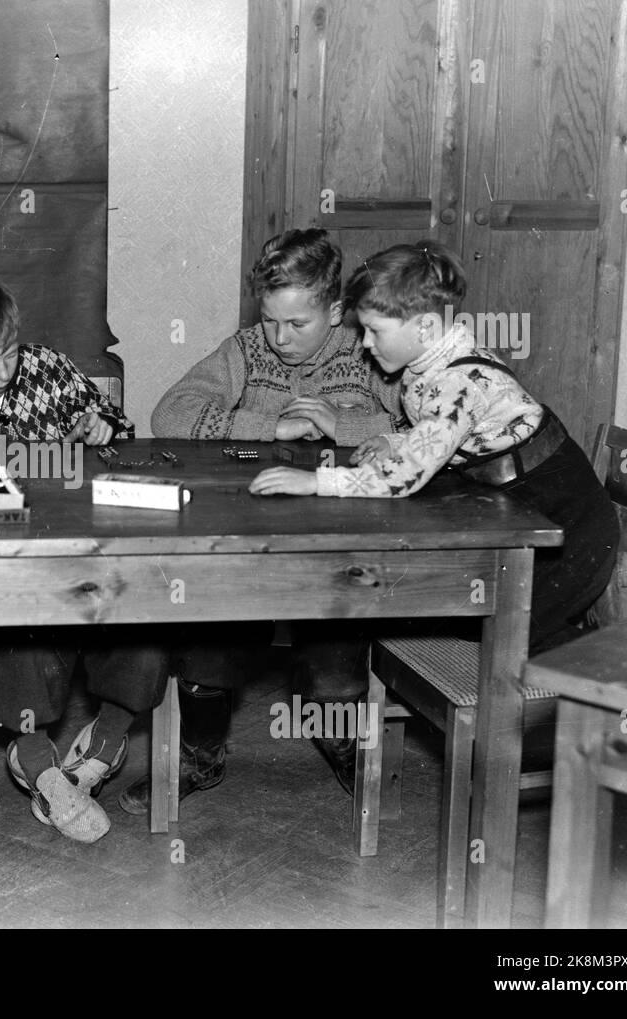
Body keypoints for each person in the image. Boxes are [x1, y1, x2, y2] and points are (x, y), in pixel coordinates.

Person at [124, 228, 404, 813]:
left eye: (297, 325)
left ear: (336, 310)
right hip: (249, 531)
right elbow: (170, 413)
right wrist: (267, 426)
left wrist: (342, 426)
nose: (279, 339)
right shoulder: (247, 349)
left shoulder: (370, 348)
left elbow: (417, 431)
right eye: (271, 321)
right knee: (214, 630)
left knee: (337, 639)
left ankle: (340, 740)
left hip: (336, 534)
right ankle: (201, 753)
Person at [250, 239, 619, 657]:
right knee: (464, 621)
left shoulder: (456, 381)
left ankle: (617, 673)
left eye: (374, 331)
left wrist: (317, 481)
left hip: (567, 522)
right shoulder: (431, 361)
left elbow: (407, 474)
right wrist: (394, 439)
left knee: (507, 639)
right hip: (519, 500)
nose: (366, 343)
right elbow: (445, 432)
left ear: (424, 327)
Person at [0, 267, 166, 843]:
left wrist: (100, 427)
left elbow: (117, 426)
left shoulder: (49, 367)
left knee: (148, 593)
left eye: (9, 354)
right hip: (7, 561)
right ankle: (40, 762)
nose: (3, 371)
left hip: (81, 549)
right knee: (7, 616)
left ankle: (102, 743)